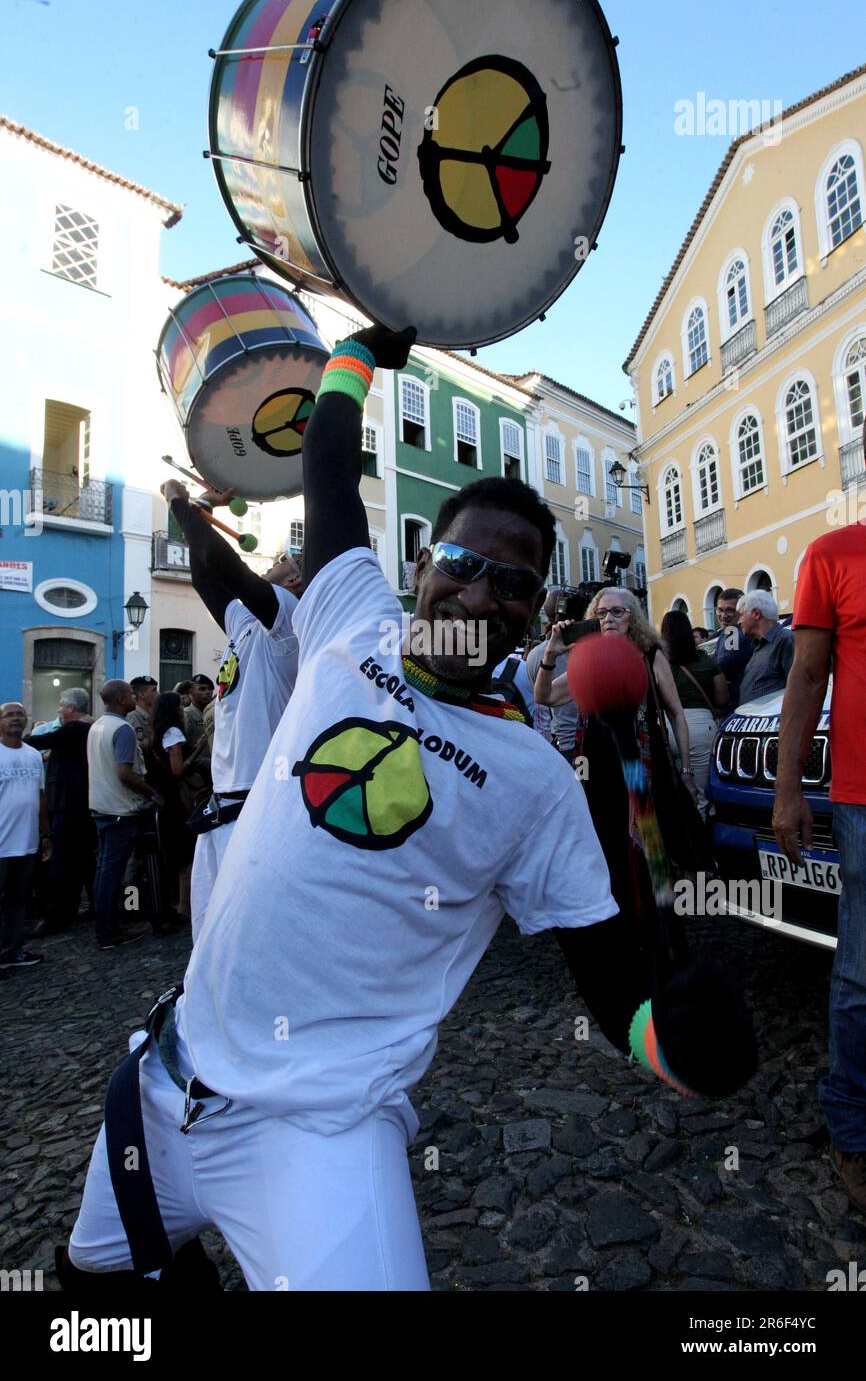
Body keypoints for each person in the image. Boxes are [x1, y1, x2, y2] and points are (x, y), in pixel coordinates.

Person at [61, 324, 755, 1295]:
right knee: (91, 1282)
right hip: (165, 1083)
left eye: (515, 583)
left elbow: (602, 970)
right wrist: (351, 354)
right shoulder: (352, 613)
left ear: (532, 607)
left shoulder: (532, 778)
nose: (483, 589)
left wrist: (673, 1045)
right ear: (422, 561)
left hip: (319, 1133)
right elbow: (329, 472)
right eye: (466, 563)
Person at [773, 497, 866, 1212]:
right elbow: (806, 677)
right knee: (862, 971)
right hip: (863, 799)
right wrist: (788, 793)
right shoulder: (833, 554)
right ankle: (854, 1132)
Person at [159, 481, 303, 942]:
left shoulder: (287, 619)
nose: (274, 564)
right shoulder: (244, 622)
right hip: (223, 806)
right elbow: (206, 574)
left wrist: (179, 502)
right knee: (209, 938)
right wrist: (201, 506)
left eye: (283, 561)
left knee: (252, 939)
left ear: (295, 579)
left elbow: (225, 563)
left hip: (259, 808)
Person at [535, 587, 703, 921]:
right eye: (601, 613)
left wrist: (685, 769)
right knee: (606, 837)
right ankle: (619, 911)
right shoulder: (587, 658)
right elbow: (546, 697)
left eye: (617, 612)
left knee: (651, 838)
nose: (608, 619)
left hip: (643, 763)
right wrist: (550, 656)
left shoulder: (649, 653)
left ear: (633, 618)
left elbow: (676, 712)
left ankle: (662, 918)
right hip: (598, 765)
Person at [87, 680, 161, 951]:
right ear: (120, 699)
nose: (134, 697)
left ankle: (107, 923)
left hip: (103, 807)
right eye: (130, 694)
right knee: (113, 871)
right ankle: (108, 929)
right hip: (120, 809)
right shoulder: (123, 728)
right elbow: (124, 772)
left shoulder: (98, 725)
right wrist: (152, 792)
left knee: (105, 870)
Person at [24, 688, 96, 936]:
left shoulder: (75, 729)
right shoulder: (85, 729)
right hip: (78, 803)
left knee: (63, 862)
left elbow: (34, 741)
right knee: (83, 860)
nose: (58, 710)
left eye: (61, 706)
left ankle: (56, 917)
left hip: (68, 805)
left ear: (72, 708)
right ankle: (82, 907)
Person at [660, 611, 729, 819]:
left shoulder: (659, 662)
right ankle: (701, 842)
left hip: (667, 726)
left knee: (672, 793)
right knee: (700, 795)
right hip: (700, 727)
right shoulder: (705, 661)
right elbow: (723, 698)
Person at [150, 693, 208, 924]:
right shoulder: (173, 734)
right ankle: (185, 906)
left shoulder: (157, 732)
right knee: (186, 855)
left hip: (165, 796)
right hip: (177, 798)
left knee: (174, 854)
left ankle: (177, 903)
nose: (183, 709)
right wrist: (198, 748)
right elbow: (178, 769)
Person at [0, 702, 50, 971]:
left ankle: (12, 951)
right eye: (9, 715)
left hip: (26, 842)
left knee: (18, 902)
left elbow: (39, 797)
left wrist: (45, 834)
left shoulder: (33, 755)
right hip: (1, 844)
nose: (15, 719)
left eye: (20, 715)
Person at [525, 591, 580, 760]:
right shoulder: (584, 652)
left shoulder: (534, 655)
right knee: (582, 784)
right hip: (578, 747)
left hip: (552, 746)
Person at [737, 590, 795, 707]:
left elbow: (798, 688)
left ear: (756, 614)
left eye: (742, 615)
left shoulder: (785, 640)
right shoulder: (759, 645)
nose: (739, 622)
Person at [713, 588, 755, 709]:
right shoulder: (728, 631)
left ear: (741, 611)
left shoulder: (733, 632)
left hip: (738, 705)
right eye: (720, 610)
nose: (723, 615)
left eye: (730, 610)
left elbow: (721, 666)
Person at [184, 676, 214, 770]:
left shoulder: (214, 713)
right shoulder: (187, 715)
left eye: (210, 689)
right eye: (202, 689)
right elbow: (183, 752)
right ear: (190, 693)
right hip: (198, 772)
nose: (207, 692)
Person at [127, 676, 158, 757]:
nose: (158, 693)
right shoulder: (132, 717)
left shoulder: (155, 715)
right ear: (142, 694)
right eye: (154, 690)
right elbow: (132, 748)